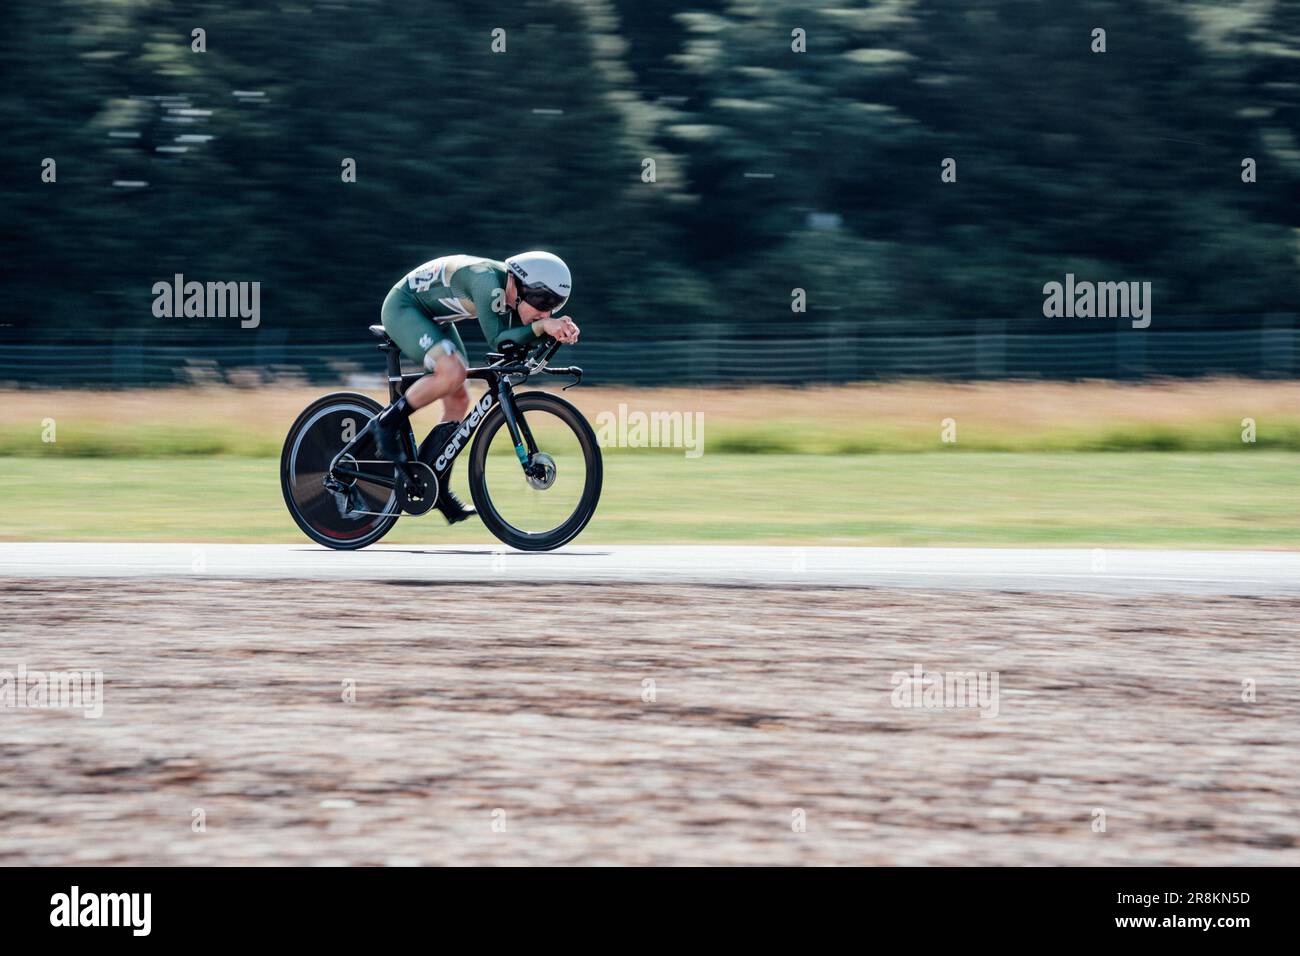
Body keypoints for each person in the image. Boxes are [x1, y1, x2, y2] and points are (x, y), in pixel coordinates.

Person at [370, 251, 580, 523]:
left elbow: (519, 342)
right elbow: (499, 341)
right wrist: (543, 326)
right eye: (542, 301)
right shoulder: (488, 282)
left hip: (434, 318)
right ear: (517, 284)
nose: (546, 311)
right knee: (452, 372)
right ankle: (385, 423)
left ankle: (435, 483)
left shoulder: (510, 294)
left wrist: (556, 331)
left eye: (554, 307)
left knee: (459, 398)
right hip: (404, 308)